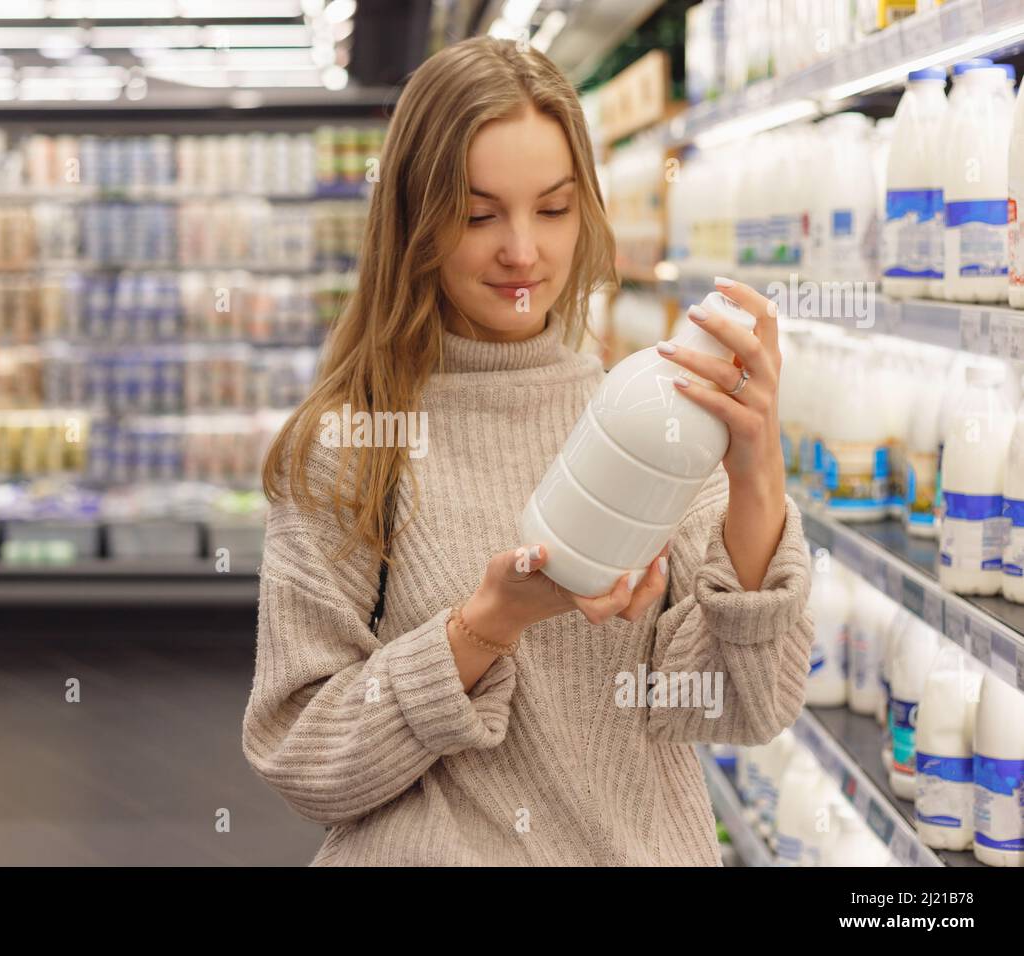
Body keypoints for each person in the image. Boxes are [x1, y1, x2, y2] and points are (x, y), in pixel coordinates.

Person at [241, 36, 813, 865]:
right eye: (478, 214)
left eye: (552, 208)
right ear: (414, 219)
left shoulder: (645, 413)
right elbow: (301, 756)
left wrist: (757, 473)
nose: (522, 251)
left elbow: (745, 702)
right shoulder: (353, 443)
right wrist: (488, 624)